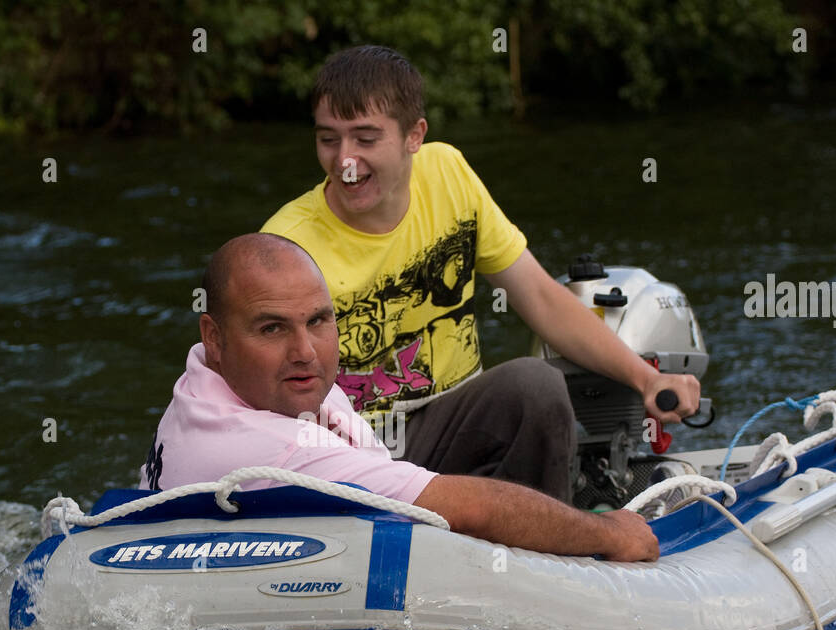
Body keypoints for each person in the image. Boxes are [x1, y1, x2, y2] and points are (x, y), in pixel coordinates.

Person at [261, 45, 701, 502]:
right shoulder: (285, 245)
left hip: (453, 427)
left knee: (536, 384)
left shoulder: (448, 173)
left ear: (415, 135)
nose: (345, 161)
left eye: (366, 139)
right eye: (328, 139)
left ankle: (553, 546)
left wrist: (647, 380)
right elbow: (264, 394)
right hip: (352, 453)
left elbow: (542, 297)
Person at [140, 233, 658, 562]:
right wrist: (607, 533)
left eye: (319, 321)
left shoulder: (206, 377)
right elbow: (471, 508)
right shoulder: (271, 449)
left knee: (529, 387)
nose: (305, 351)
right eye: (272, 328)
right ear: (215, 336)